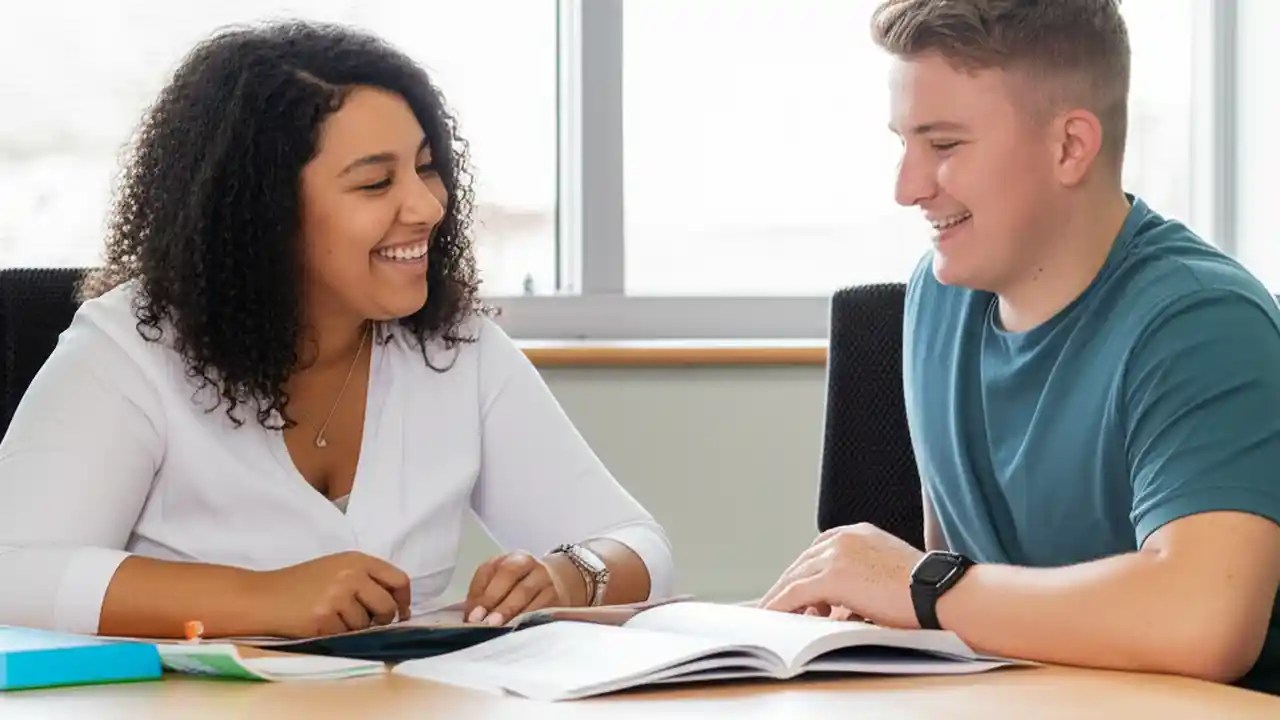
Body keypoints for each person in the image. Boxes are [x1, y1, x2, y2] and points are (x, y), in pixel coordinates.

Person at [0, 21, 672, 640]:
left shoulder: (453, 348)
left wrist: (570, 574)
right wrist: (264, 599)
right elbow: (12, 575)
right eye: (377, 182)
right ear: (265, 211)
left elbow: (638, 544)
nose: (428, 205)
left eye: (427, 167)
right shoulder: (132, 349)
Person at [760, 0, 1280, 692]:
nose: (906, 187)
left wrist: (922, 587)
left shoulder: (1203, 322)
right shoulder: (938, 297)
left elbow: (1204, 622)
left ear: (1070, 146)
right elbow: (968, 604)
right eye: (903, 142)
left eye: (944, 146)